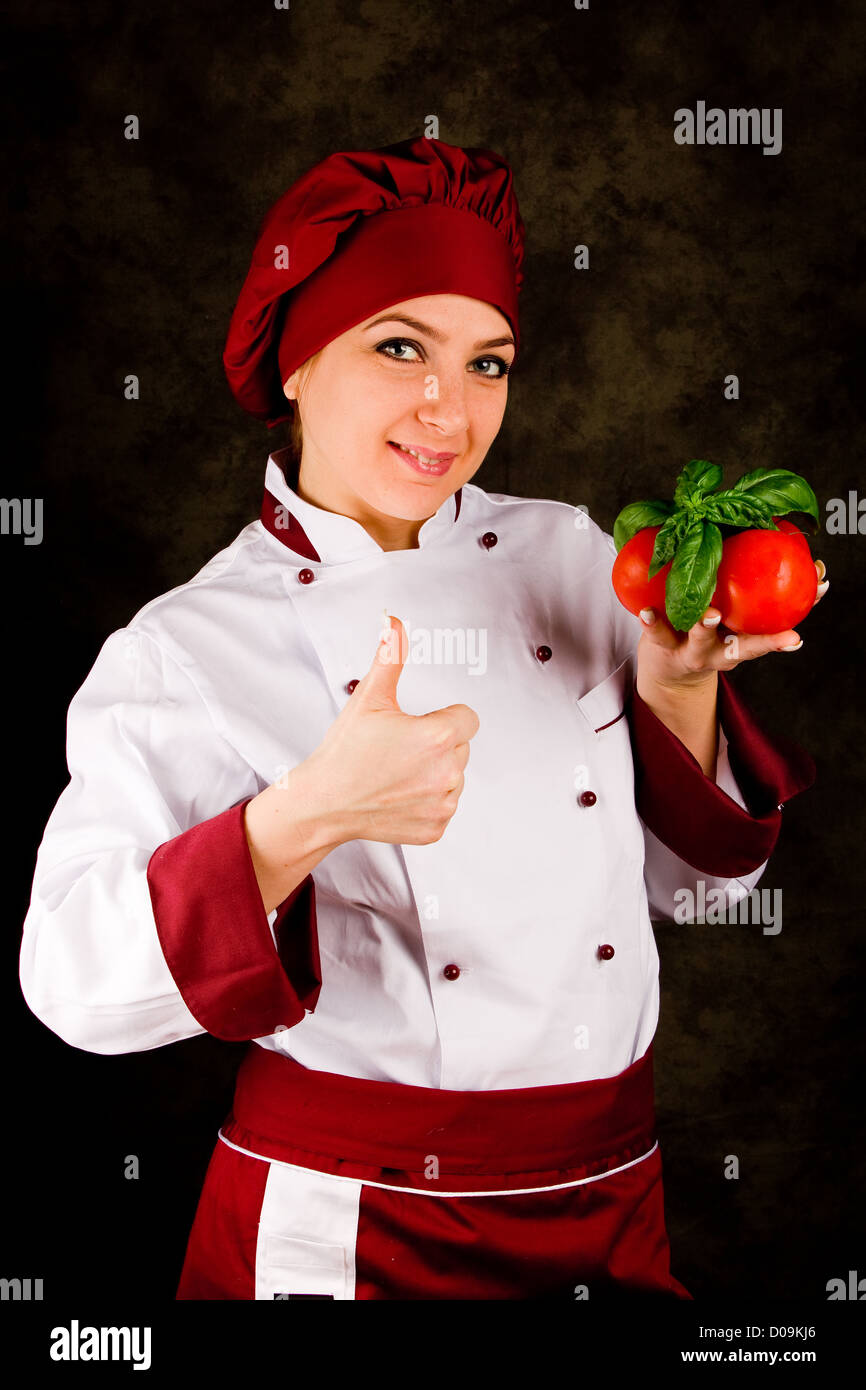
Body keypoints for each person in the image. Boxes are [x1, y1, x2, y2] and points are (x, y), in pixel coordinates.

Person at [19, 136, 825, 1301]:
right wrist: (301, 820)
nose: (447, 410)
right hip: (354, 1220)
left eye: (487, 362)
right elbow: (73, 987)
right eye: (399, 347)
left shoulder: (570, 551)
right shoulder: (187, 646)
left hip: (608, 1193)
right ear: (296, 365)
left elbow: (693, 893)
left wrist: (678, 679)